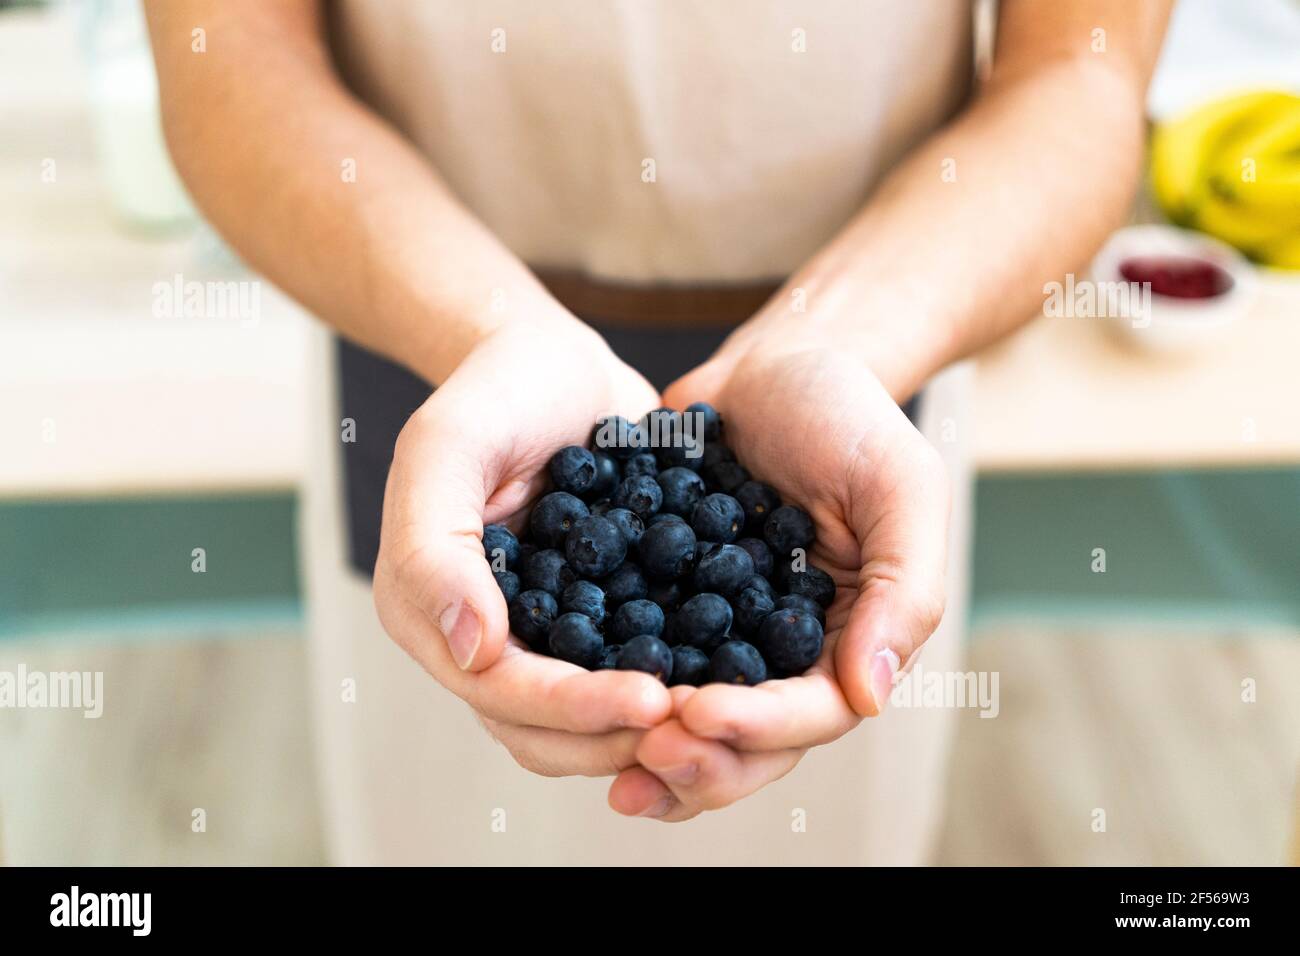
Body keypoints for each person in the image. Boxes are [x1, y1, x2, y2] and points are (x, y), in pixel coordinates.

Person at [145, 0, 1171, 864]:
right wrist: (491, 332)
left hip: (857, 366)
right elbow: (230, 66)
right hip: (444, 364)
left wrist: (841, 345)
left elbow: (1076, 78)